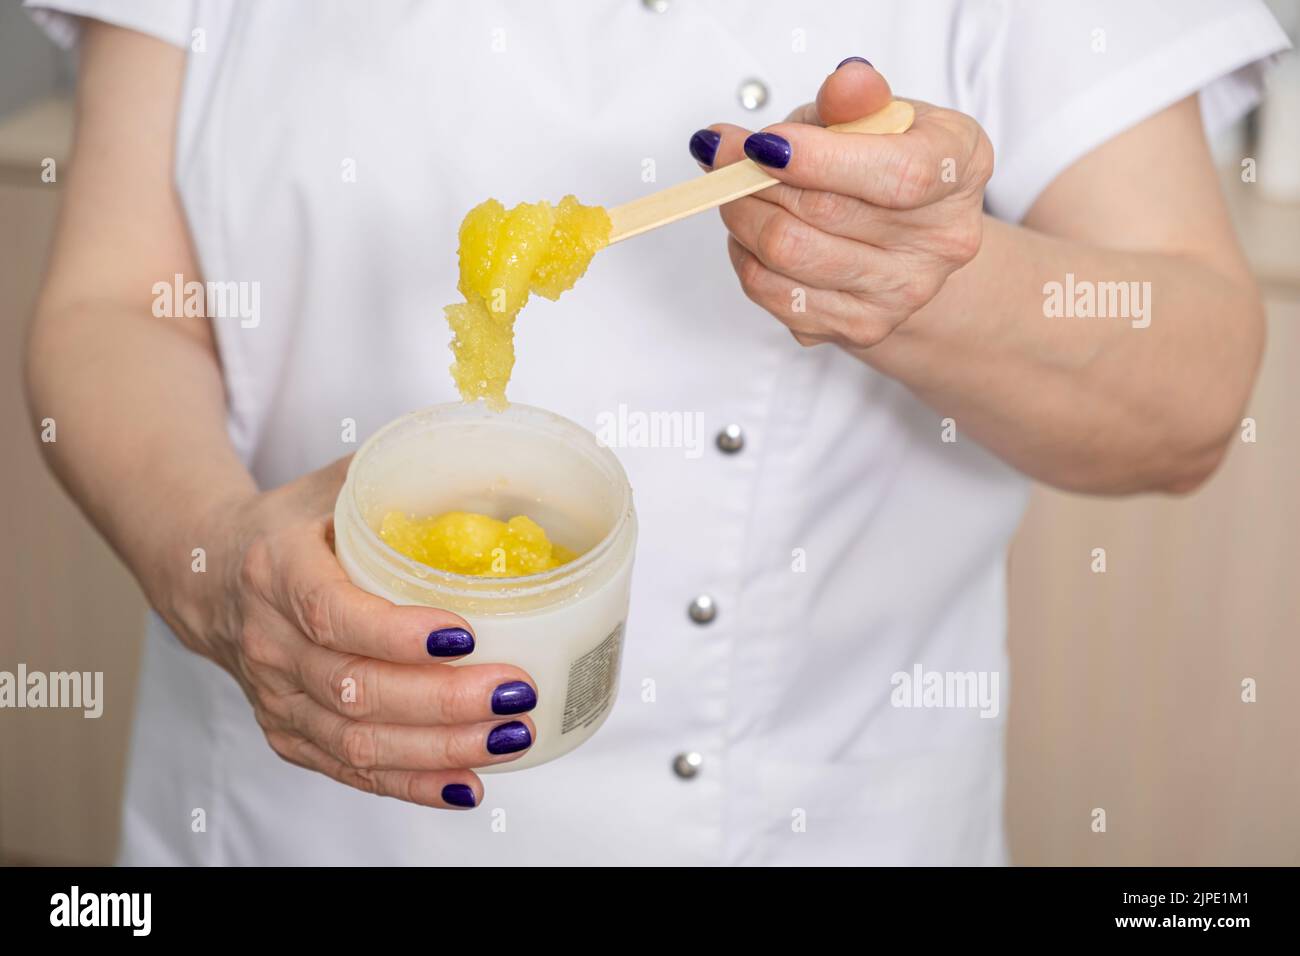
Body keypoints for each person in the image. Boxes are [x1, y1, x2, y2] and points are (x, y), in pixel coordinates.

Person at [24, 0, 1288, 865]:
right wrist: (214, 556)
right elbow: (111, 305)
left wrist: (926, 275)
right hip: (278, 818)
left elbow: (1188, 393)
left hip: (810, 826)